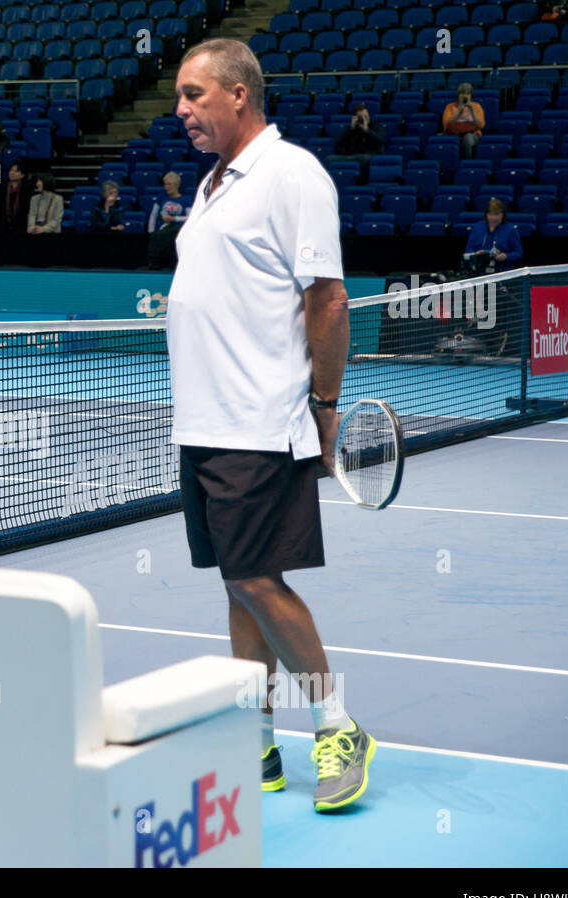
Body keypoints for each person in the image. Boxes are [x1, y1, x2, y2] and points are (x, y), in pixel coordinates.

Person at [172, 38, 373, 812]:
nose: (182, 111)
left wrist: (325, 407)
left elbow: (327, 299)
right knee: (238, 582)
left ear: (238, 96)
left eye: (194, 96)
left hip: (260, 419)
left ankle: (335, 722)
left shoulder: (291, 175)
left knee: (257, 577)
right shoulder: (215, 182)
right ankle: (256, 741)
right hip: (205, 420)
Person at [464, 197, 522, 271]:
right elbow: (468, 250)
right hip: (479, 271)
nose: (493, 218)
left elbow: (518, 253)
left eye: (496, 214)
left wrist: (506, 256)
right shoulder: (477, 228)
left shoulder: (511, 230)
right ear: (486, 214)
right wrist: (476, 254)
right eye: (490, 214)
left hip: (502, 271)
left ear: (503, 214)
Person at [331, 103, 385, 183]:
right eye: (361, 117)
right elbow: (338, 143)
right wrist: (351, 129)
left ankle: (359, 183)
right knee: (330, 159)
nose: (365, 119)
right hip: (350, 156)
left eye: (366, 116)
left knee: (363, 158)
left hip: (369, 155)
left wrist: (367, 130)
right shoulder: (350, 129)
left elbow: (381, 140)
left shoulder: (376, 126)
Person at [146, 172, 189, 269]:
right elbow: (154, 214)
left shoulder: (185, 199)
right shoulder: (161, 197)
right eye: (165, 184)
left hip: (179, 229)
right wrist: (151, 231)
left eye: (169, 184)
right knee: (160, 235)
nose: (166, 187)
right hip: (164, 229)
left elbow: (190, 217)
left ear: (176, 185)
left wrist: (174, 218)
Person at [442, 82, 485, 159]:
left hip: (472, 134)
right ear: (458, 95)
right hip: (454, 133)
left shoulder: (476, 106)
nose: (465, 96)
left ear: (471, 96)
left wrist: (472, 111)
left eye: (468, 94)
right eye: (462, 93)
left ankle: (467, 163)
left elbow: (481, 125)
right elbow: (446, 124)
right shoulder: (450, 106)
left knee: (468, 138)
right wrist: (459, 111)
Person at [0, 162, 31, 233]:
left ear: (22, 175)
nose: (12, 173)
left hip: (21, 226)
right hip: (4, 225)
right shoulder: (3, 188)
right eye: (11, 170)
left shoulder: (26, 190)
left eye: (16, 171)